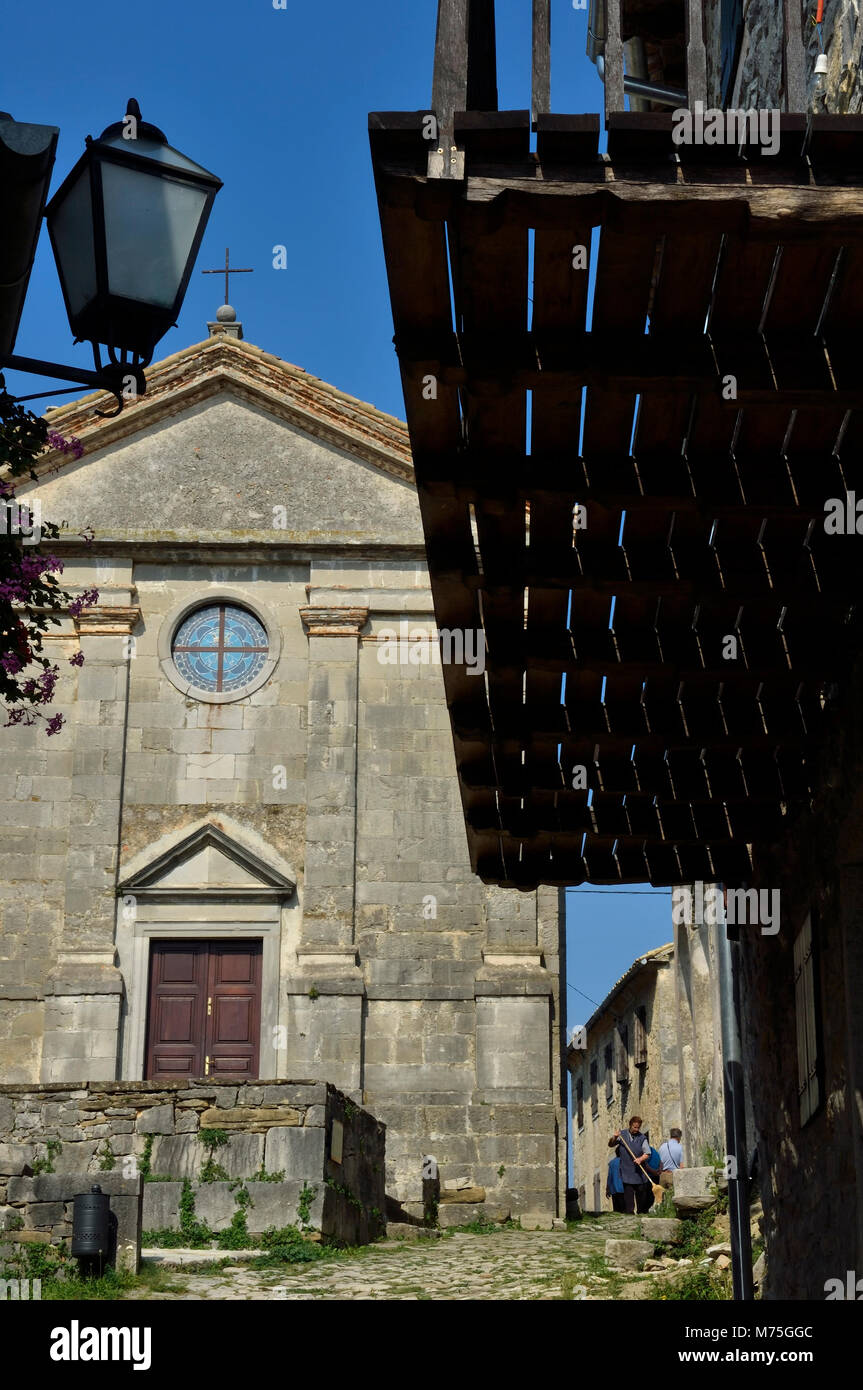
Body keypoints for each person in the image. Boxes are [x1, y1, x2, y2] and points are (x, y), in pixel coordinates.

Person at [608, 1115, 654, 1214]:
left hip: (639, 1172)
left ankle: (641, 1212)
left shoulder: (642, 1138)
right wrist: (615, 1137)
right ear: (630, 1125)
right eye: (634, 1127)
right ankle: (630, 1213)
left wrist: (640, 1159)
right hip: (626, 1171)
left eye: (638, 1127)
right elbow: (611, 1144)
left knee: (641, 1195)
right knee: (628, 1196)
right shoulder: (622, 1135)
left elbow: (648, 1153)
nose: (636, 1129)